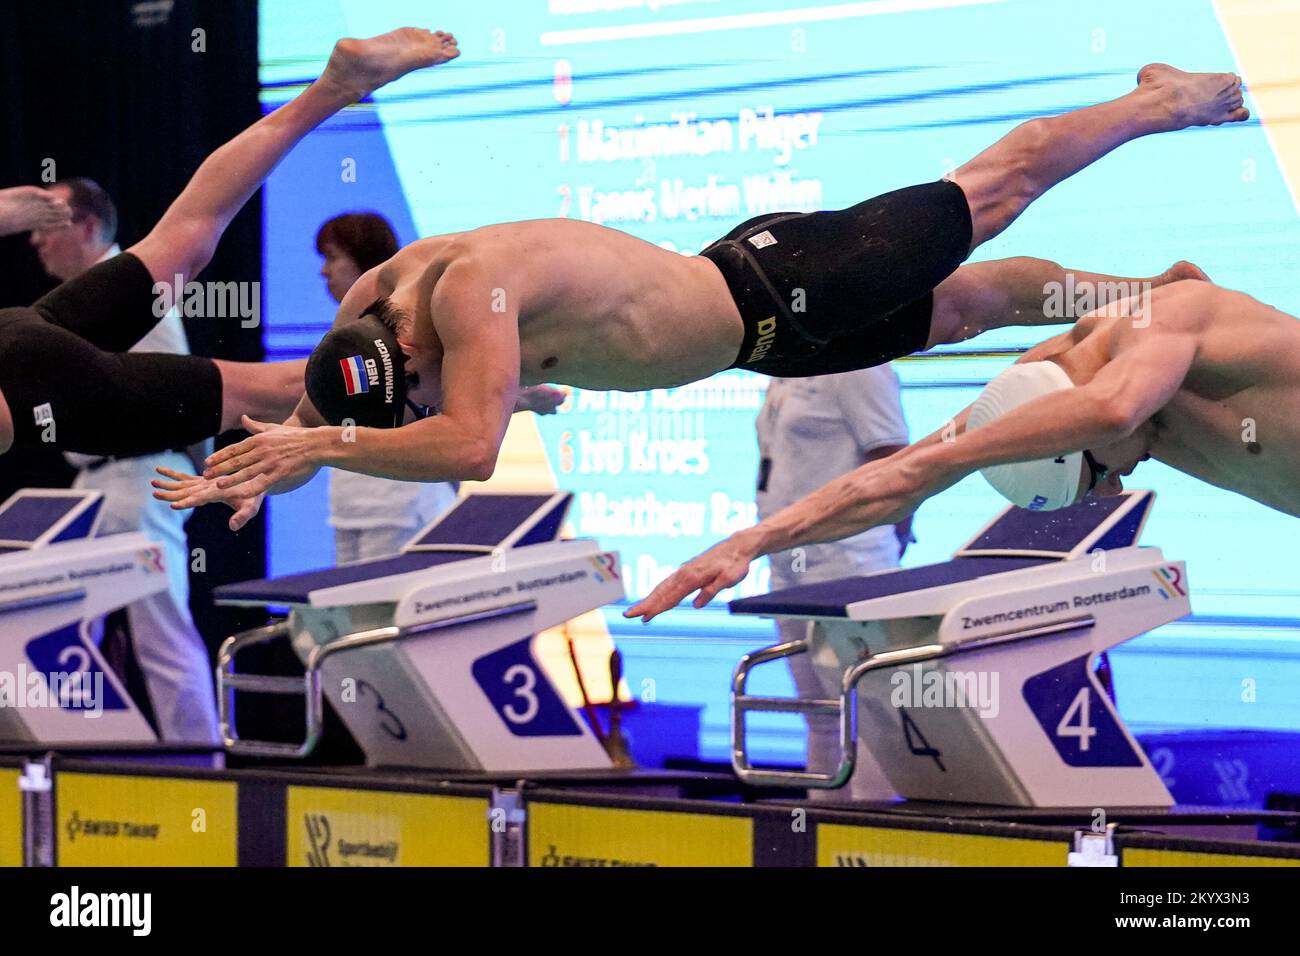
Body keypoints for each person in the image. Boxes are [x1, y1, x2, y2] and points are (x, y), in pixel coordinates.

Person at [167, 63, 1247, 529]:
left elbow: (467, 446)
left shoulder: (468, 296)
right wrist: (282, 445)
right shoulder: (384, 305)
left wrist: (318, 446)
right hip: (765, 340)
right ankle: (1155, 293)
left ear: (405, 349)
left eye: (405, 394)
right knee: (974, 307)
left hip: (779, 281)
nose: (418, 398)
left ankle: (1161, 103)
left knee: (995, 189)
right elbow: (348, 396)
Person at [625, 278, 1300, 621]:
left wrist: (957, 456)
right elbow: (894, 481)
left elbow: (1111, 407)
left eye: (1095, 473)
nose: (1114, 491)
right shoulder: (1031, 384)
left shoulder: (1164, 321)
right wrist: (751, 541)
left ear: (1077, 439)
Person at [0, 28, 461, 468]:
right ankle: (337, 85)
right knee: (187, 232)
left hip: (21, 384)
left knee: (270, 388)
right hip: (16, 337)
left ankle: (462, 374)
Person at [29, 176, 218, 743]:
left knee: (160, 635)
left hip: (142, 478)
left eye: (46, 225)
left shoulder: (132, 292)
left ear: (87, 226)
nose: (35, 240)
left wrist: (193, 479)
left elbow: (189, 397)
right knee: (58, 632)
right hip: (93, 483)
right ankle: (82, 762)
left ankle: (204, 774)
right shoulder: (76, 302)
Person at [757, 367, 913, 801]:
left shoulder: (864, 367)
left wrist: (888, 537)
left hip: (849, 560)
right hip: (787, 559)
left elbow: (895, 458)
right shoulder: (784, 368)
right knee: (820, 714)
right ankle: (818, 836)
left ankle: (866, 837)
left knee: (865, 715)